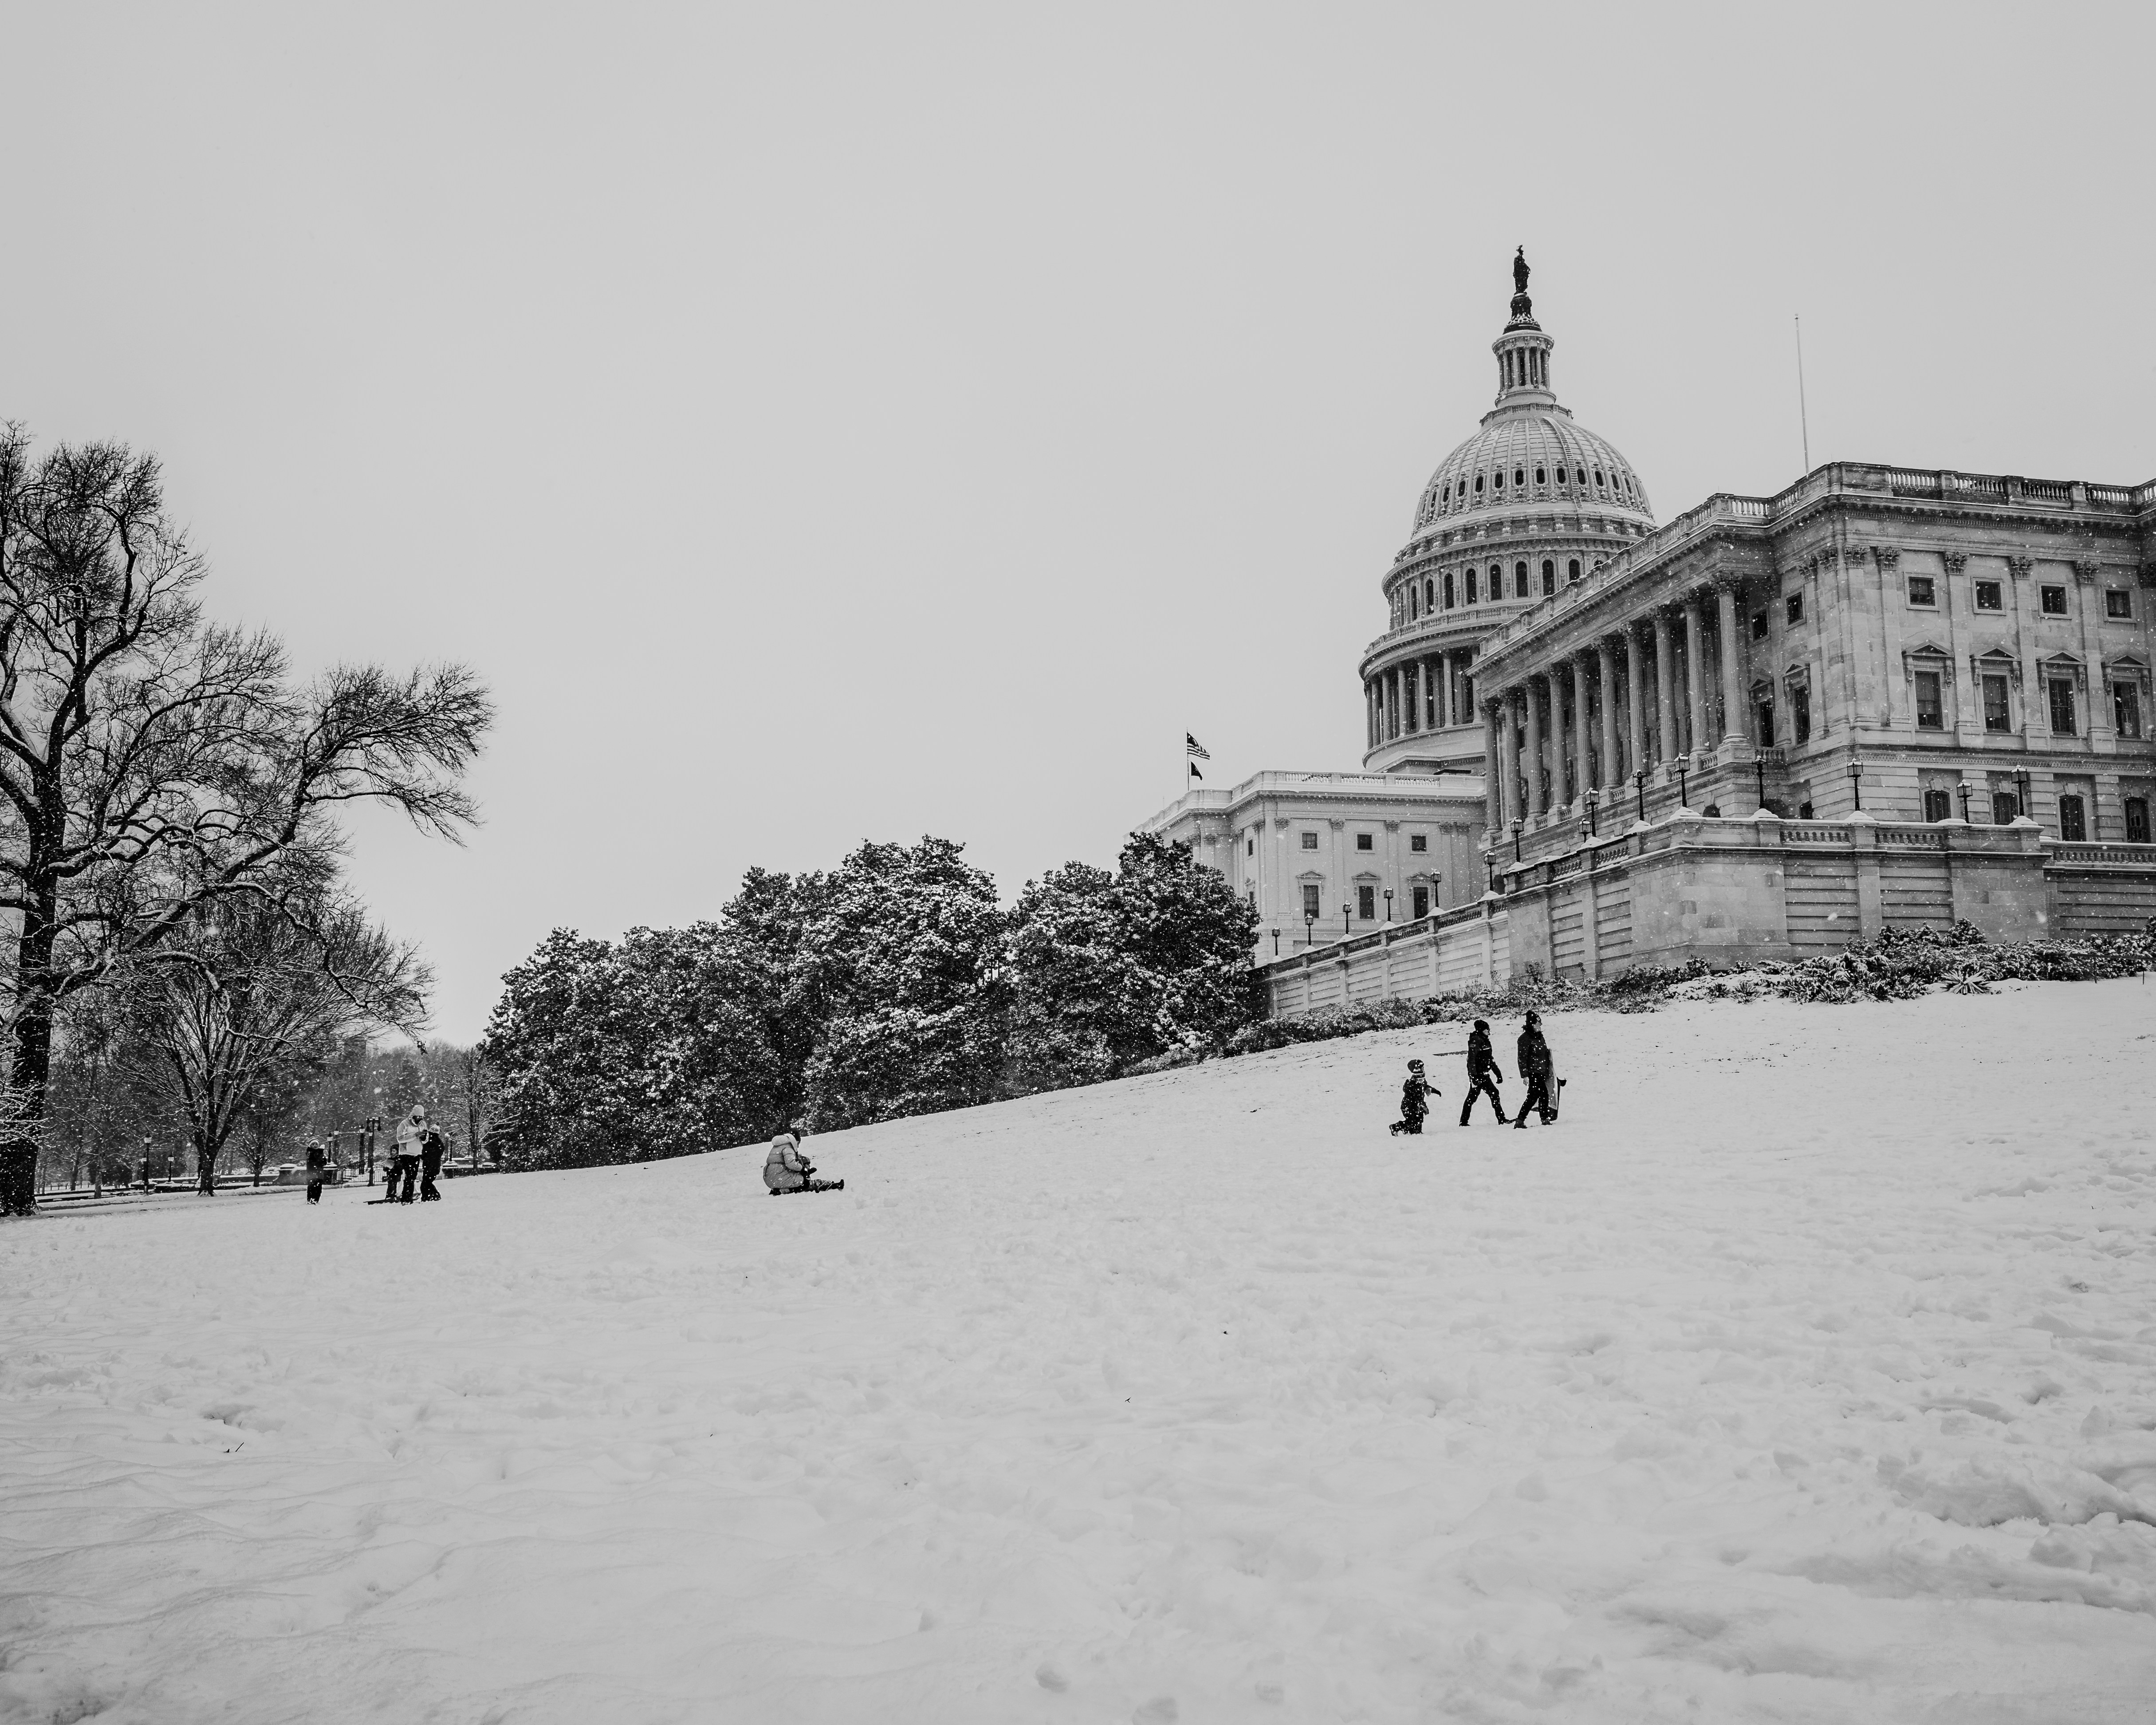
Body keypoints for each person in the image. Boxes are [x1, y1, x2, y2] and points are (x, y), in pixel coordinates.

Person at [763, 1126, 842, 1195]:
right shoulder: (788, 1147)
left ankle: (779, 1189)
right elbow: (791, 1163)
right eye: (798, 1143)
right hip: (778, 1176)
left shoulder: (781, 1145)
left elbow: (791, 1159)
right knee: (805, 1184)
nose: (798, 1146)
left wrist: (805, 1161)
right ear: (795, 1141)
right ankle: (781, 1191)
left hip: (771, 1177)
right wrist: (801, 1169)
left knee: (800, 1180)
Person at [1460, 1020, 1509, 1125]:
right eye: (1488, 1030)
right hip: (1479, 1074)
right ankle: (1501, 1119)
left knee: (1473, 1097)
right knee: (1493, 1094)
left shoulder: (1485, 1041)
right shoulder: (1476, 1041)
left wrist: (1498, 1073)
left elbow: (1490, 1059)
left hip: (1484, 1073)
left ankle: (1464, 1121)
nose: (1489, 1032)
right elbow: (1471, 1060)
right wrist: (1474, 1076)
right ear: (1482, 1030)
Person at [1514, 1012, 1555, 1128]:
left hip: (1541, 1072)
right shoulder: (1524, 1039)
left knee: (1542, 1095)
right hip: (1533, 1072)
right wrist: (1525, 1075)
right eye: (1538, 1023)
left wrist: (1548, 1070)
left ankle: (1542, 1118)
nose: (1540, 1025)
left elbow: (1544, 1054)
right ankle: (1521, 1120)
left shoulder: (1540, 1037)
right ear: (1532, 1024)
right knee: (1535, 1096)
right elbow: (1521, 1058)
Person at [1389, 1058, 1439, 1136]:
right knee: (1412, 1121)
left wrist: (1434, 1091)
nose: (1421, 1081)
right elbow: (1415, 1095)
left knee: (1419, 1119)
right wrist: (1421, 1103)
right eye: (1419, 1080)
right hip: (1409, 1106)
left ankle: (1416, 1132)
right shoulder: (1411, 1085)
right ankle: (1396, 1127)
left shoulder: (1421, 1082)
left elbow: (1425, 1087)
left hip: (1417, 1106)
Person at [389, 1106, 427, 1204]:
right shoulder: (405, 1124)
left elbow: (426, 1140)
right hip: (406, 1153)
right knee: (409, 1177)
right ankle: (406, 1198)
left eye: (421, 1116)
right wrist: (415, 1135)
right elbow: (400, 1138)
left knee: (413, 1177)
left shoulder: (423, 1124)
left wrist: (425, 1137)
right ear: (413, 1115)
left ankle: (407, 1197)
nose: (420, 1118)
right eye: (418, 1116)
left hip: (417, 1154)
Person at [418, 1123, 447, 1202]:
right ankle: (431, 1196)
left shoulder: (430, 1143)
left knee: (426, 1183)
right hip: (435, 1166)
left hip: (429, 1166)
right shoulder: (439, 1143)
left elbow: (424, 1154)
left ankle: (430, 1196)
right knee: (427, 1183)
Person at [305, 1139, 327, 1205]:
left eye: (316, 1144)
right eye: (313, 1144)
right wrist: (320, 1153)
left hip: (319, 1174)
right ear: (310, 1145)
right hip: (312, 1174)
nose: (315, 1145)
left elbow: (324, 1163)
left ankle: (316, 1201)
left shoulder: (319, 1153)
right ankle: (311, 1200)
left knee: (319, 1188)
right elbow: (314, 1161)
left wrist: (322, 1155)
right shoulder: (310, 1152)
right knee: (312, 1188)